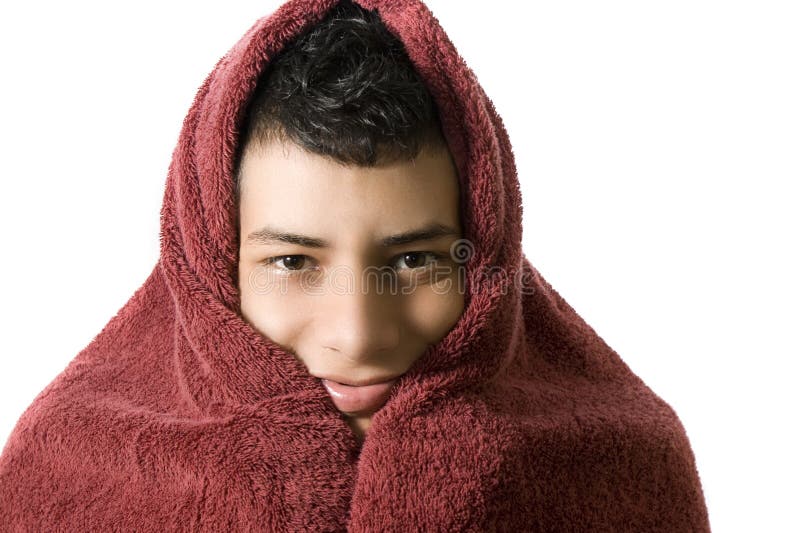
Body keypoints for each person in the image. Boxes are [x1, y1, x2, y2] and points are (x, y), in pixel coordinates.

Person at [0, 0, 711, 530]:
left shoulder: (621, 465)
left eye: (412, 258)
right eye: (292, 260)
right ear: (211, 263)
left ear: (485, 249)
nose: (359, 333)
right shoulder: (65, 464)